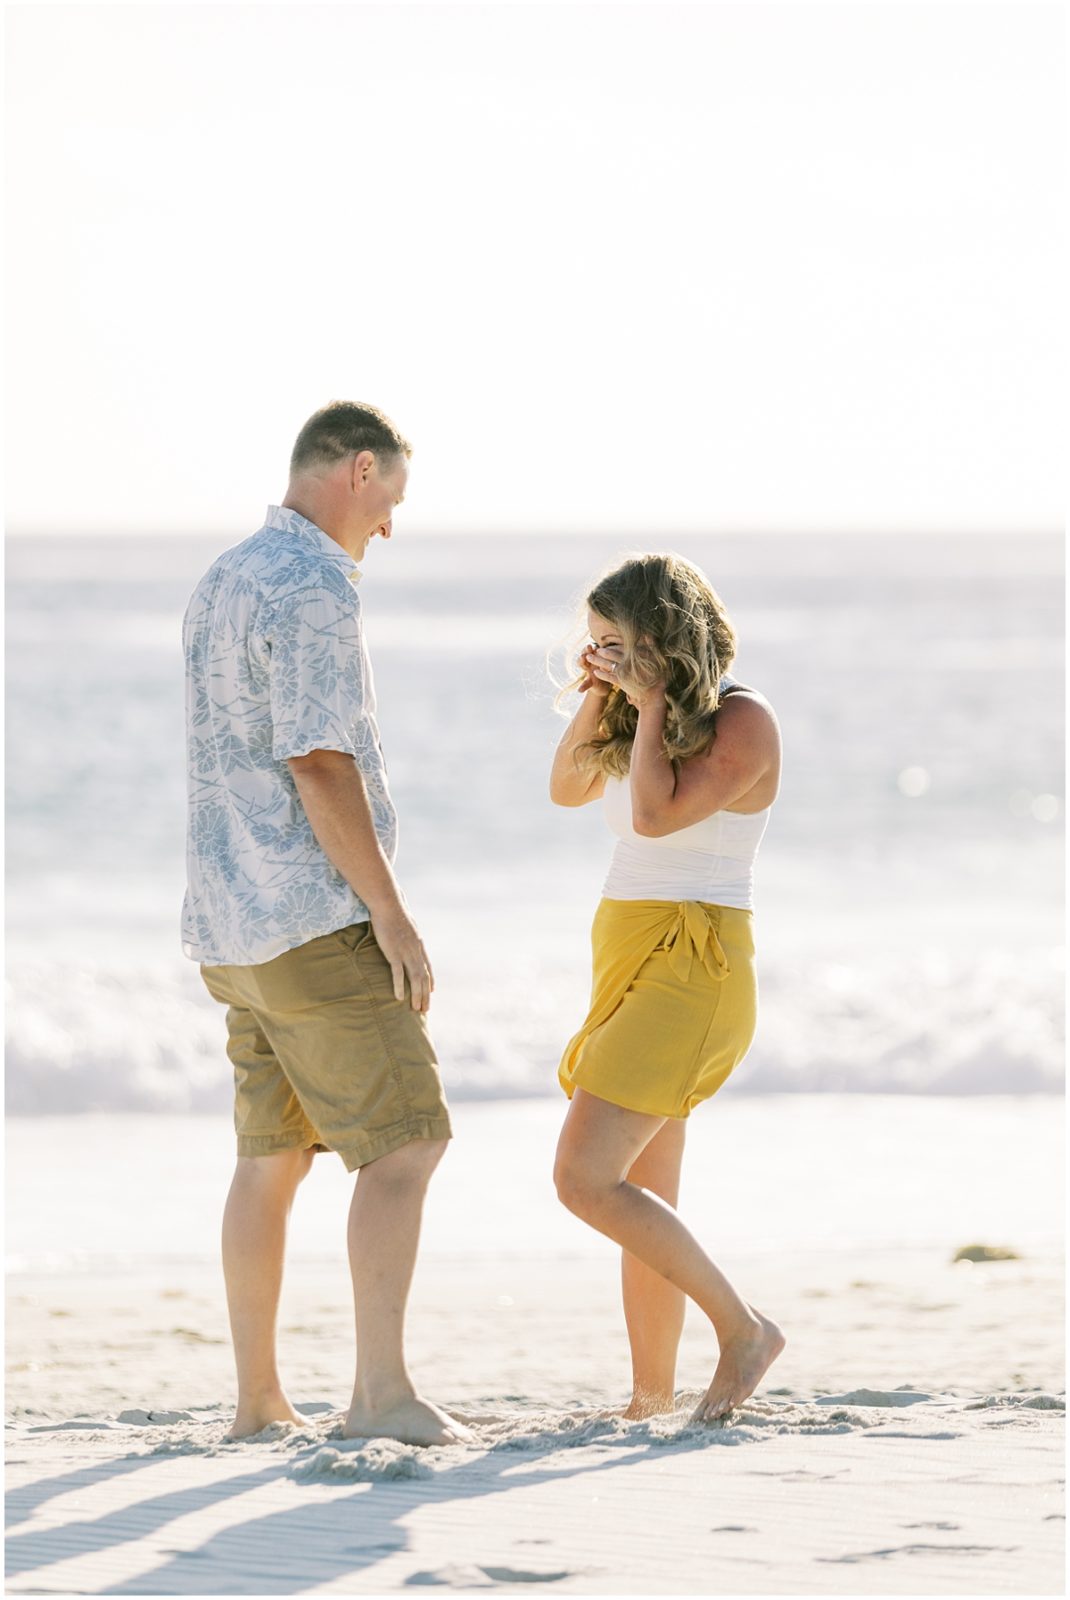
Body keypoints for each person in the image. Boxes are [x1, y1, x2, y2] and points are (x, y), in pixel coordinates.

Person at [182, 400, 469, 1446]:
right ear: (357, 470)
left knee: (272, 1156)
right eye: (389, 496)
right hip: (308, 919)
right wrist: (391, 916)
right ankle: (381, 1394)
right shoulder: (309, 588)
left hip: (228, 925)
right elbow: (317, 759)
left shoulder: (223, 577)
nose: (389, 523)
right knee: (406, 1142)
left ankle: (258, 1402)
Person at [549, 552, 786, 1423]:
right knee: (645, 1196)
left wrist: (646, 705)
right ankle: (649, 1398)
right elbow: (567, 788)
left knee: (583, 1178)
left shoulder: (744, 720)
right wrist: (604, 697)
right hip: (630, 957)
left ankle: (744, 1330)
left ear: (664, 637)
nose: (603, 656)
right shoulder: (632, 714)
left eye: (617, 643)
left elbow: (653, 816)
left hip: (696, 965)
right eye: (595, 644)